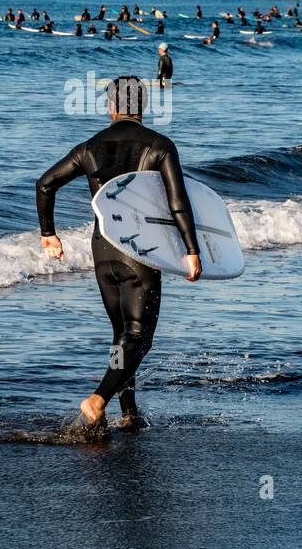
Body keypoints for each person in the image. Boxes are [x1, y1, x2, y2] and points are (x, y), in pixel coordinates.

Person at [36, 77, 201, 427]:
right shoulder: (159, 145)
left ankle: (128, 413)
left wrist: (49, 234)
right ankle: (98, 400)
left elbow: (45, 184)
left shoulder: (89, 147)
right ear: (142, 106)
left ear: (111, 106)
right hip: (140, 249)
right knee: (139, 335)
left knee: (122, 336)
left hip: (103, 250)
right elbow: (177, 202)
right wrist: (191, 249)